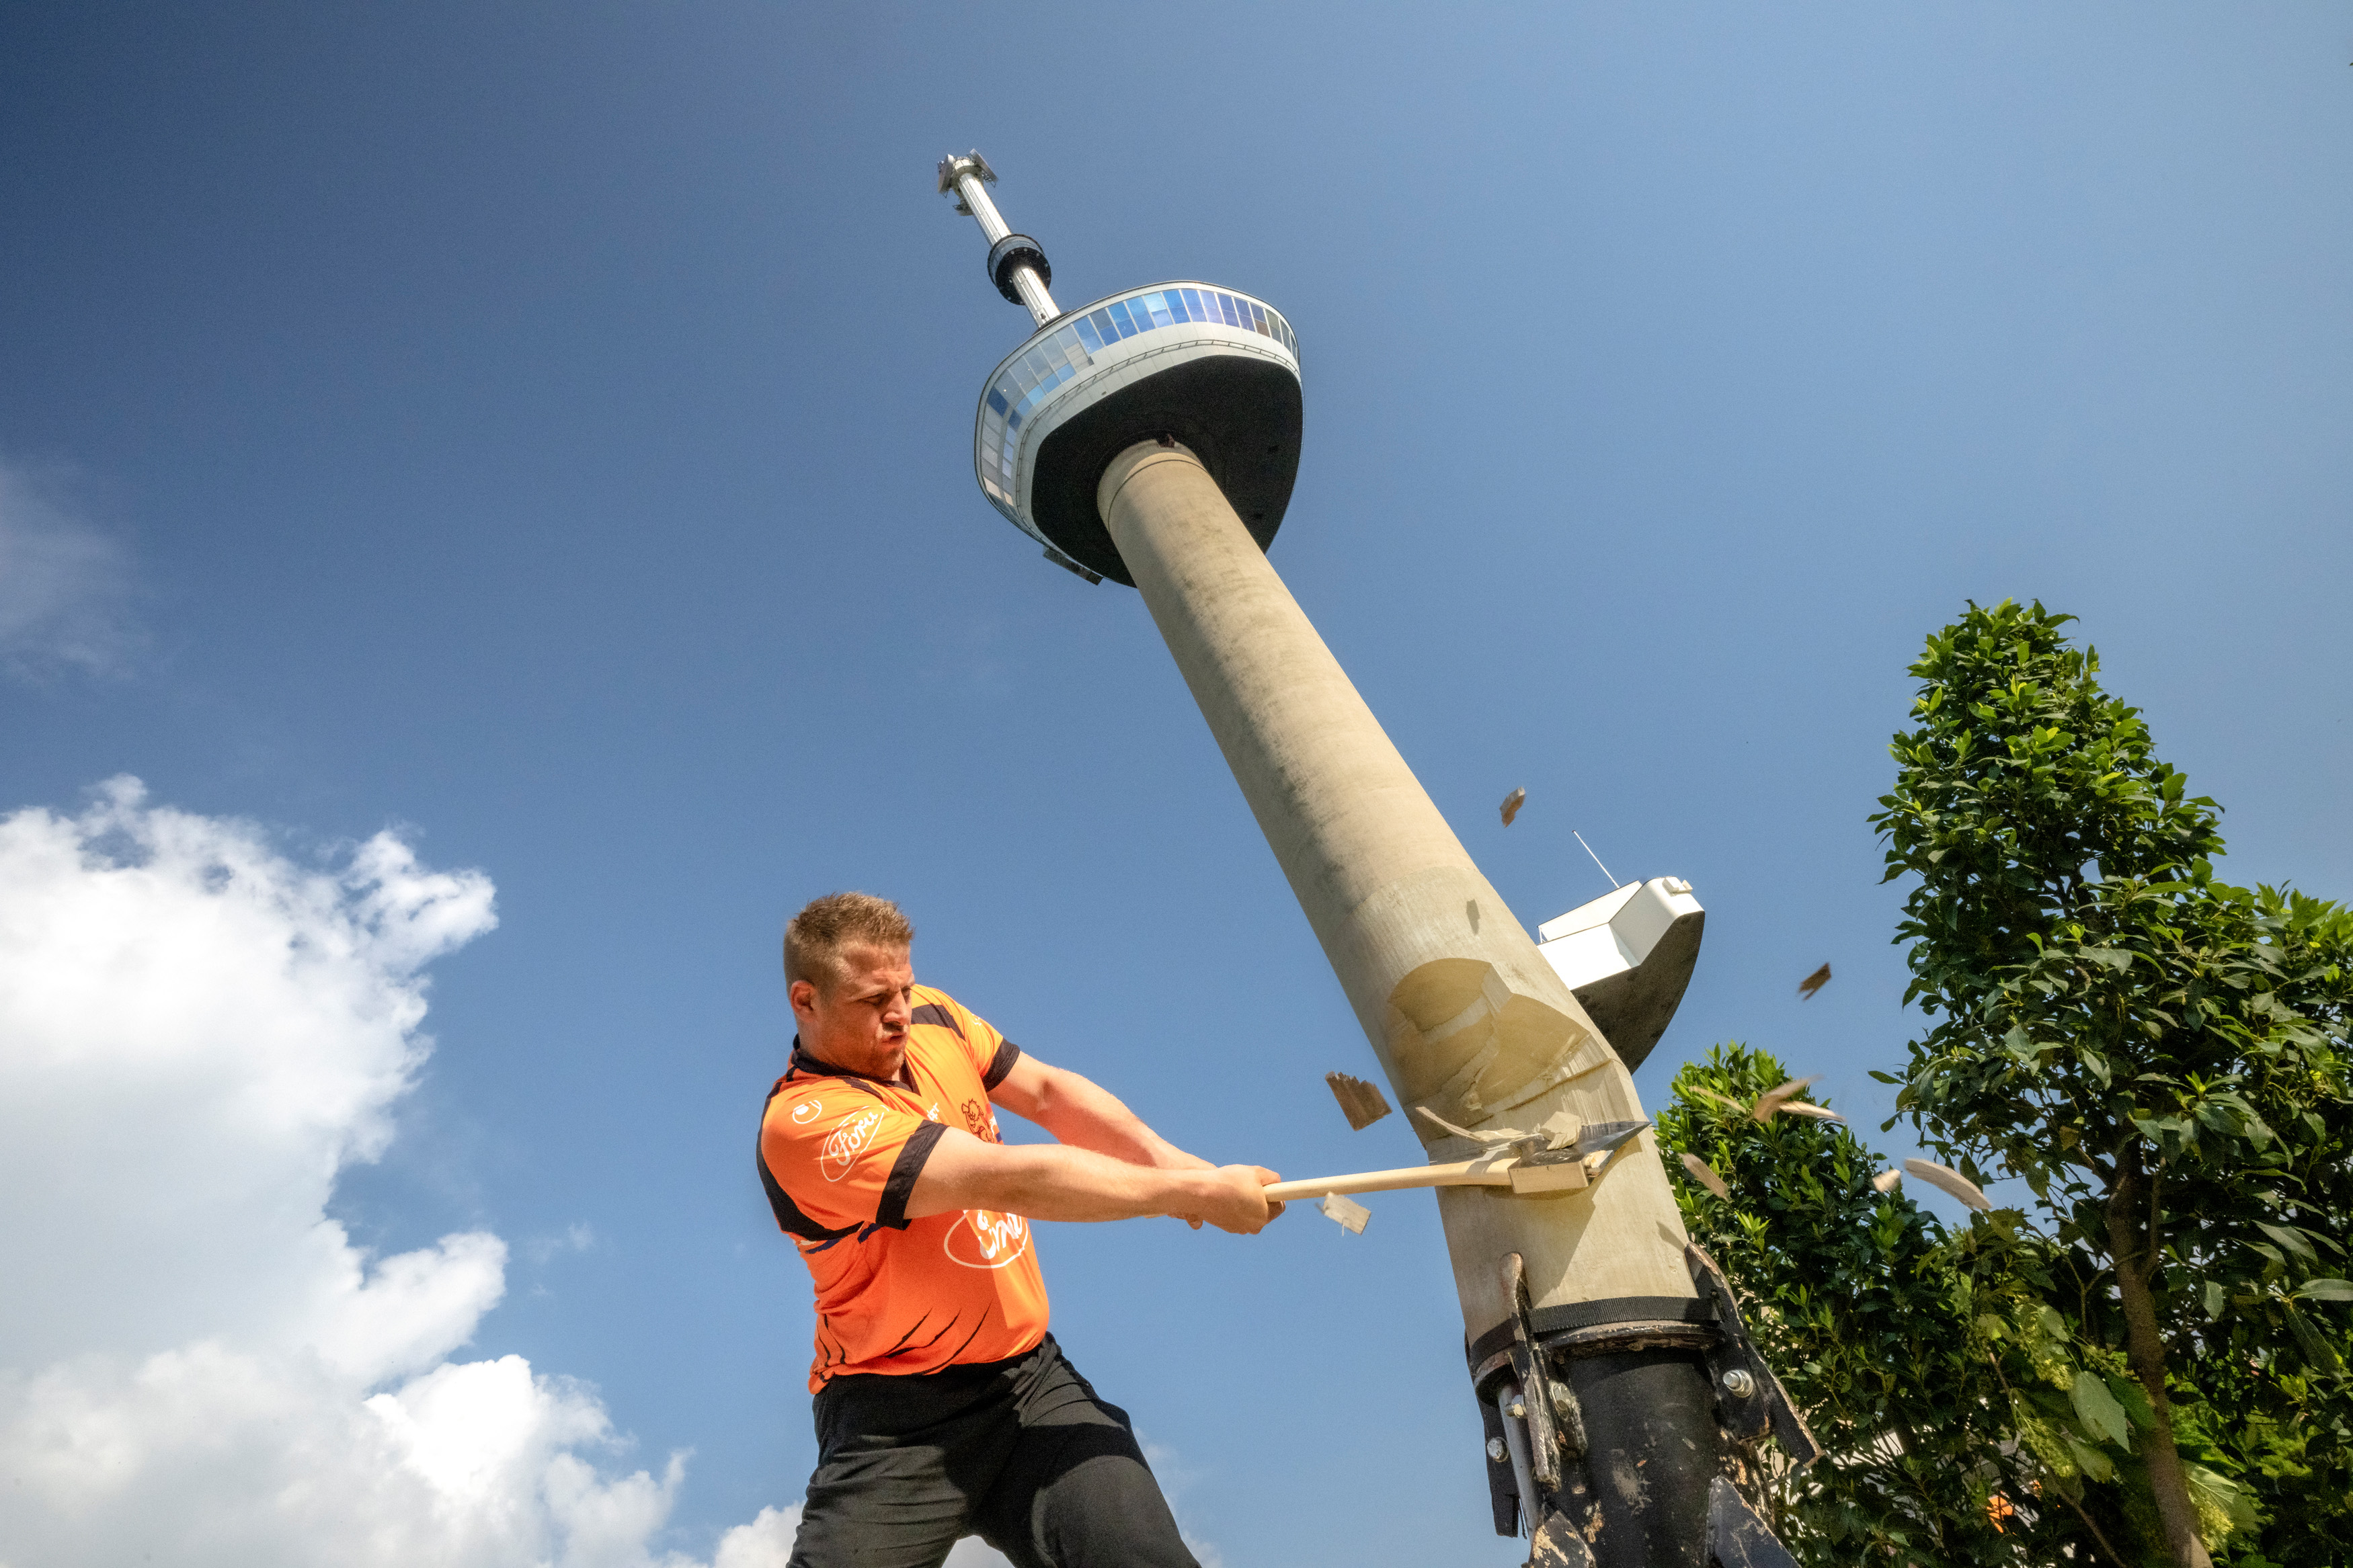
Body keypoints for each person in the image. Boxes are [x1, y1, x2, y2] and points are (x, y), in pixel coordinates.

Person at [758, 892, 1285, 1568]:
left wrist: (1181, 1165)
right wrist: (1187, 1193)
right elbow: (1001, 1177)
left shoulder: (934, 1016)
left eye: (903, 987)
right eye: (870, 1000)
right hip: (893, 1418)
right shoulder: (806, 1124)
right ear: (806, 1000)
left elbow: (1045, 1093)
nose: (898, 1015)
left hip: (1028, 1381)